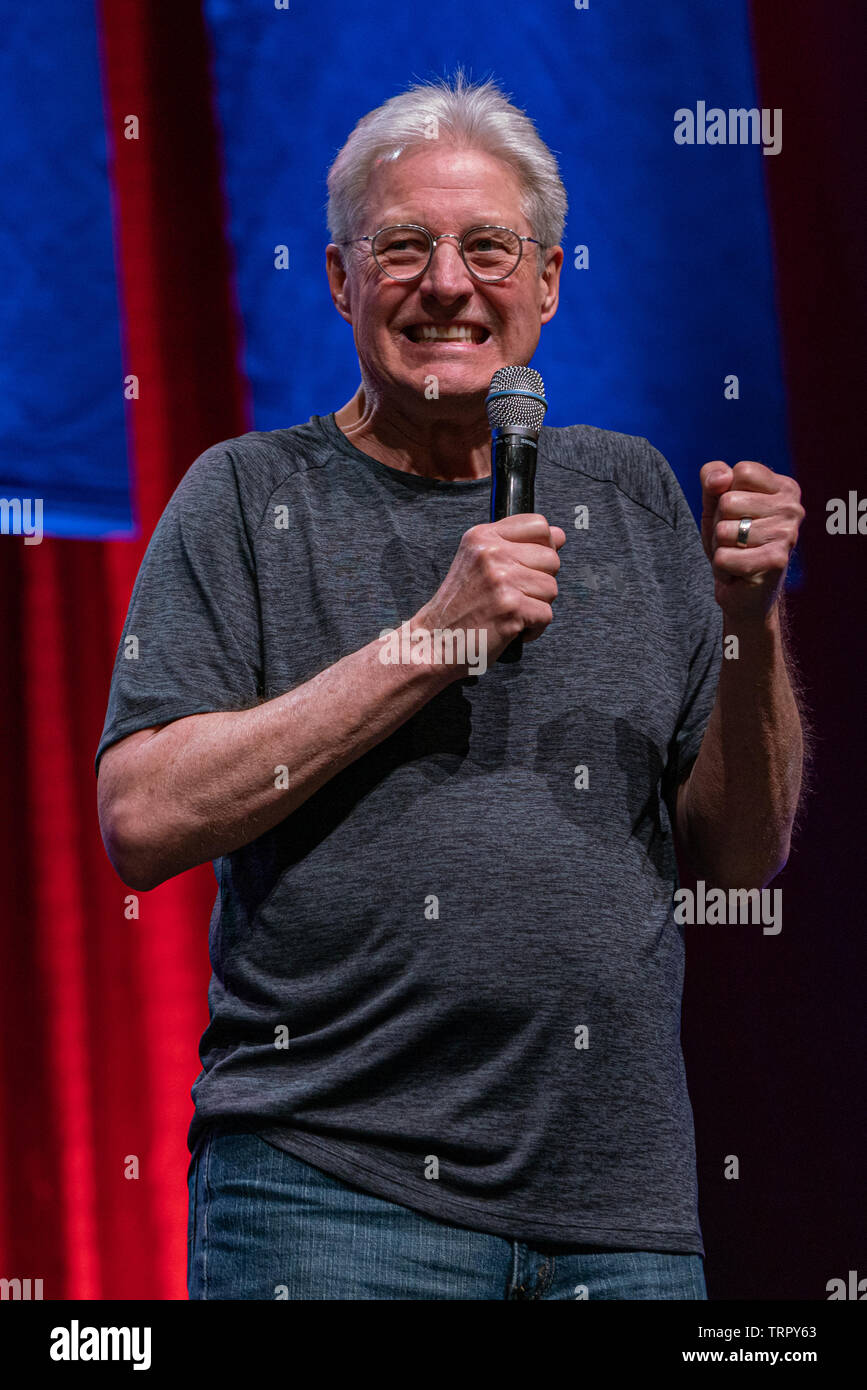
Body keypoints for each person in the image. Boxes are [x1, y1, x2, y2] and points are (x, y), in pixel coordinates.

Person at [95, 73, 805, 1301]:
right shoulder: (246, 498)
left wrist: (750, 623)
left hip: (619, 1215)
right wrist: (430, 640)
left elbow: (739, 859)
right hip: (329, 1197)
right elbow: (144, 819)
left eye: (488, 247)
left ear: (547, 280)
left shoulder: (632, 496)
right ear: (337, 279)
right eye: (404, 246)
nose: (447, 283)